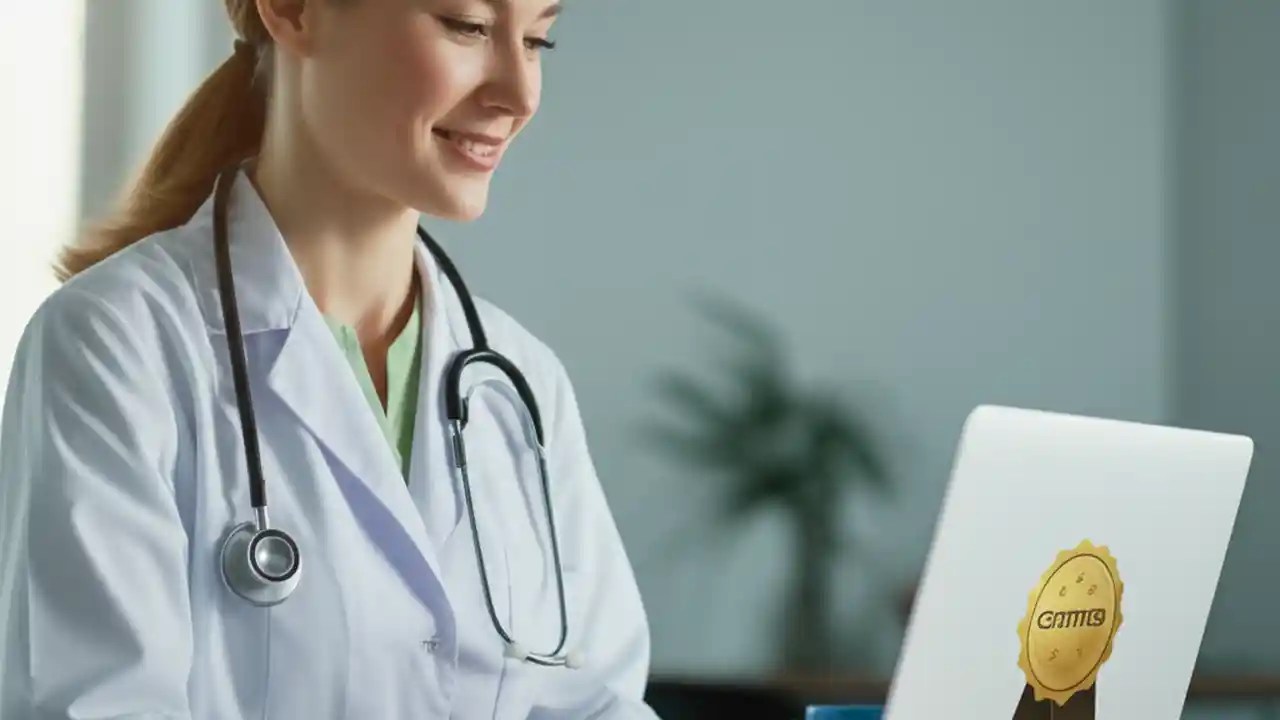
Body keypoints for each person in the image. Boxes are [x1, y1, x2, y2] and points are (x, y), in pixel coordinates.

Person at [0, 0, 661, 718]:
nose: (519, 93)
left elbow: (597, 704)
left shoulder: (519, 384)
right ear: (291, 10)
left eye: (537, 40)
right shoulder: (121, 345)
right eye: (467, 25)